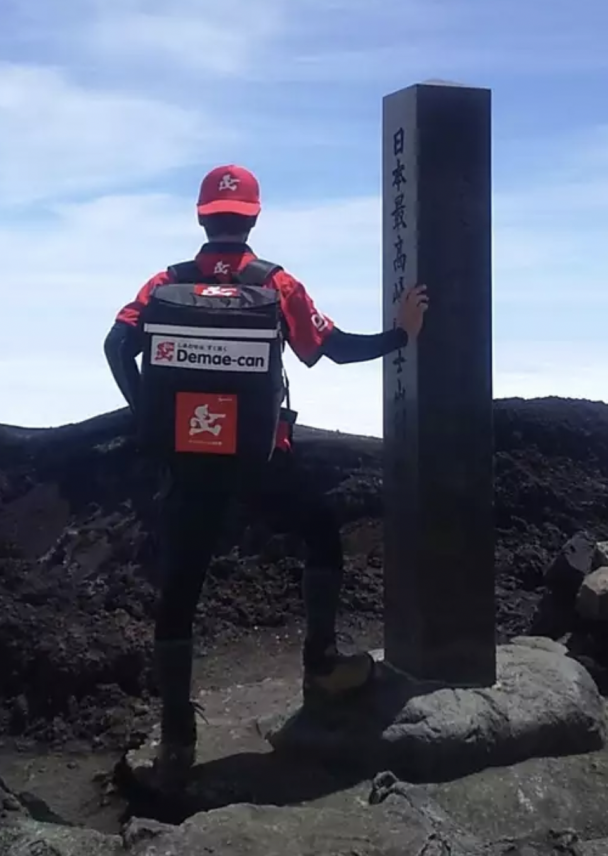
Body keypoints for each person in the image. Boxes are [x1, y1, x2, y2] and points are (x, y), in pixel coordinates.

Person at [103, 164, 428, 788]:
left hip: (188, 458)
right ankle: (321, 665)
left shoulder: (162, 284)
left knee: (180, 590)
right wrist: (401, 335)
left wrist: (151, 417)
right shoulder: (277, 285)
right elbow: (328, 347)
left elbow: (117, 346)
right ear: (252, 218)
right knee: (321, 534)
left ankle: (176, 736)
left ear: (202, 218)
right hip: (260, 456)